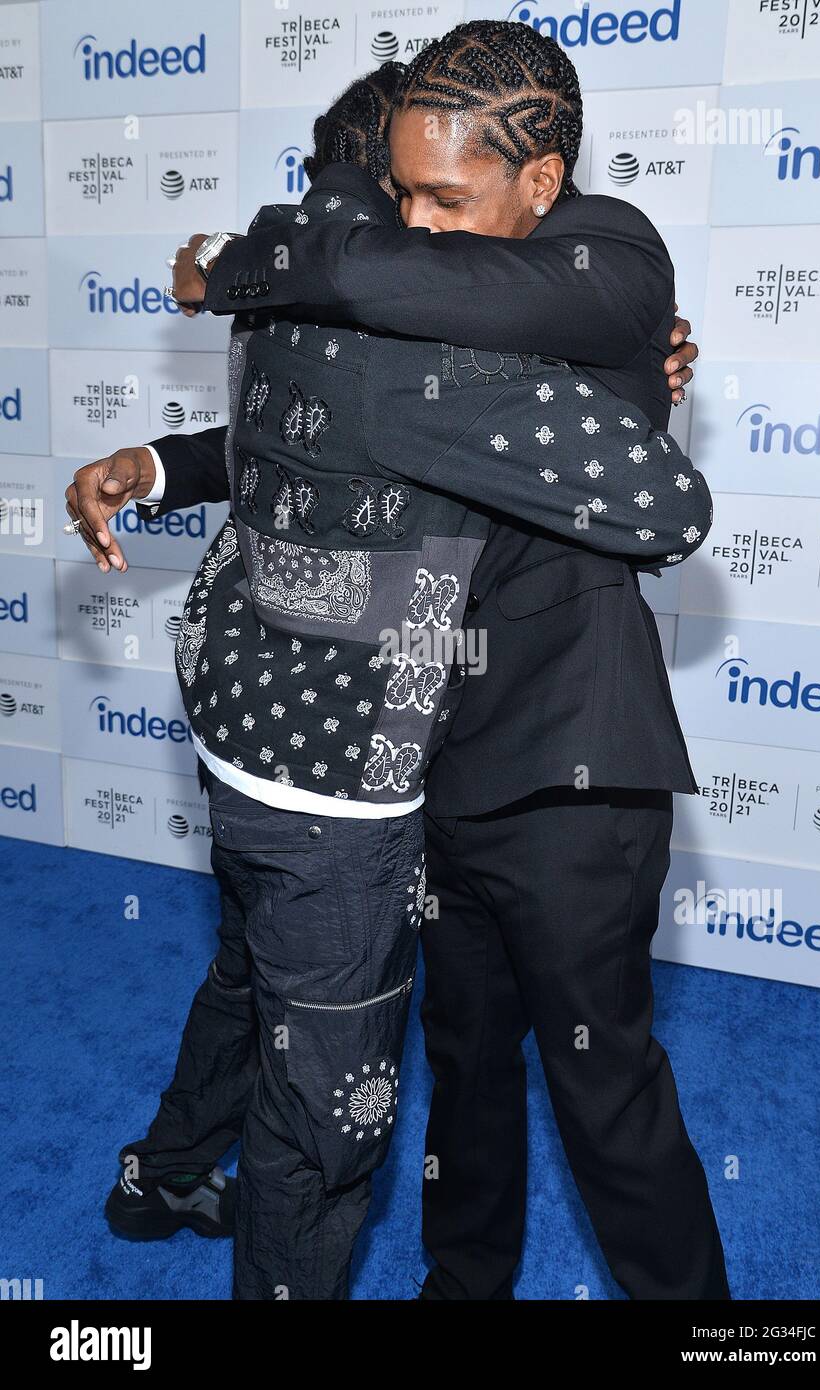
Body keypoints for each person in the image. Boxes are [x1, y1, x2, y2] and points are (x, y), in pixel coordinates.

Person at [67, 24, 721, 1301]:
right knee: (462, 1064)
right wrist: (177, 419)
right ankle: (458, 1291)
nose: (416, 231)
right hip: (428, 759)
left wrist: (244, 261)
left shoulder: (604, 256)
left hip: (569, 763)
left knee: (604, 1091)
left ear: (541, 183)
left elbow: (654, 495)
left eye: (441, 201)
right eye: (399, 200)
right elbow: (311, 436)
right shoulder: (419, 309)